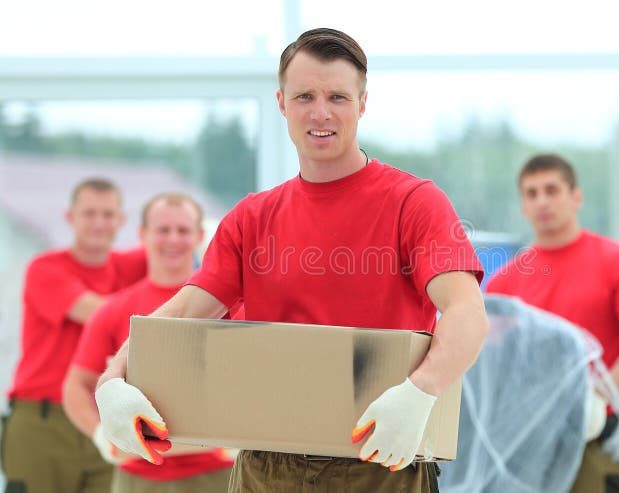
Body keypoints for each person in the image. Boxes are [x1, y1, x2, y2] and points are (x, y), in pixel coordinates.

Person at [93, 28, 488, 493]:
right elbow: (179, 316)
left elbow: (467, 313)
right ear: (282, 103)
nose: (321, 113)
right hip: (265, 468)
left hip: (379, 459)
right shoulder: (252, 218)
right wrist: (113, 380)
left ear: (362, 103)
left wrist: (422, 391)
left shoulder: (414, 203)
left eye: (337, 97)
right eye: (305, 96)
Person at [485, 153, 619, 493]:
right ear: (523, 205)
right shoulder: (504, 283)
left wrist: (594, 396)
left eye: (552, 190)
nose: (542, 201)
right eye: (532, 193)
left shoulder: (617, 262)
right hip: (527, 444)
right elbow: (484, 362)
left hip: (594, 434)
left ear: (576, 197)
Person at [62, 193, 234, 493]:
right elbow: (76, 385)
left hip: (218, 474)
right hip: (137, 478)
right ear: (142, 234)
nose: (173, 239)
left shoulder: (229, 306)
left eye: (183, 230)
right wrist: (101, 435)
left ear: (200, 236)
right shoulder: (113, 310)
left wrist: (245, 439)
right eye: (163, 230)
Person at [2, 178, 146, 493]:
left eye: (108, 214)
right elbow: (96, 313)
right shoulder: (46, 268)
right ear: (70, 217)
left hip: (103, 418)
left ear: (121, 220)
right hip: (43, 423)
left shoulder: (128, 265)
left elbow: (174, 246)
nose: (99, 222)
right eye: (89, 213)